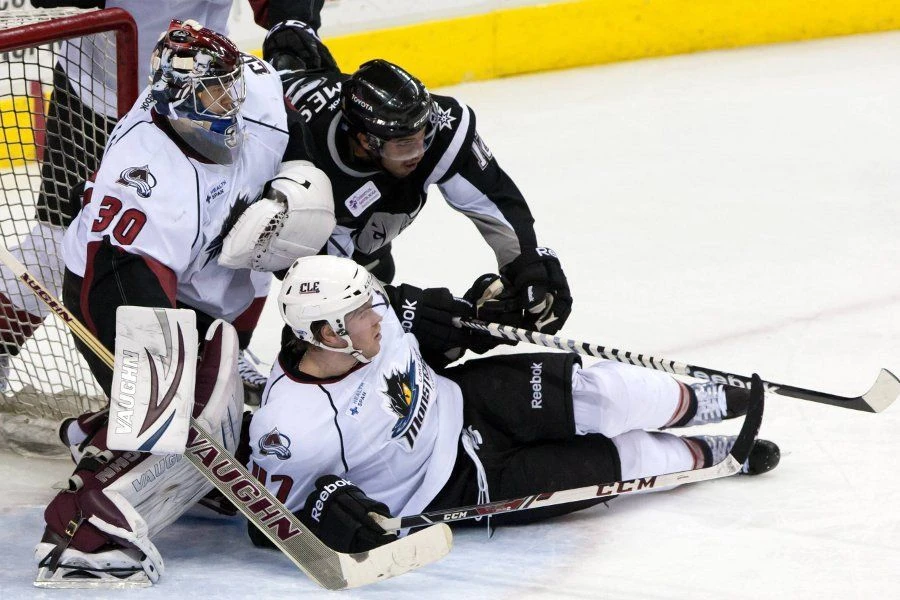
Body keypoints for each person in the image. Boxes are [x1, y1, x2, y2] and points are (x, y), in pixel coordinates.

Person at [31, 19, 332, 585]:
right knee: (183, 402)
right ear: (177, 98)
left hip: (203, 280)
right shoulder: (144, 176)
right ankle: (83, 530)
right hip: (110, 285)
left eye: (231, 86)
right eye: (214, 92)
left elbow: (302, 110)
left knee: (216, 398)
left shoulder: (256, 92)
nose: (231, 102)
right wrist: (166, 394)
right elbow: (120, 293)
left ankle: (96, 435)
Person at [244, 255, 780, 554]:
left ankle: (708, 398)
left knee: (608, 396)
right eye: (361, 313)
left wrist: (458, 314)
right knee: (616, 464)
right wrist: (329, 513)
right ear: (327, 333)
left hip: (473, 399)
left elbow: (424, 320)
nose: (376, 316)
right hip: (464, 485)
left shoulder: (373, 308)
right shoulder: (292, 427)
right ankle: (713, 454)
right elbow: (266, 522)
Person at [0, 0, 278, 395]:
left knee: (246, 233)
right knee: (56, 246)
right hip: (99, 96)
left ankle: (220, 354)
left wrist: (295, 29)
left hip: (200, 101)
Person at [262, 21, 573, 337]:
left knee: (377, 265)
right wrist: (418, 311)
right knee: (342, 326)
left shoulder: (433, 127)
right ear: (365, 141)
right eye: (404, 144)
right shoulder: (310, 175)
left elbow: (492, 196)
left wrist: (528, 265)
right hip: (297, 189)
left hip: (361, 216)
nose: (420, 152)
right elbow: (316, 287)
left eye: (424, 136)